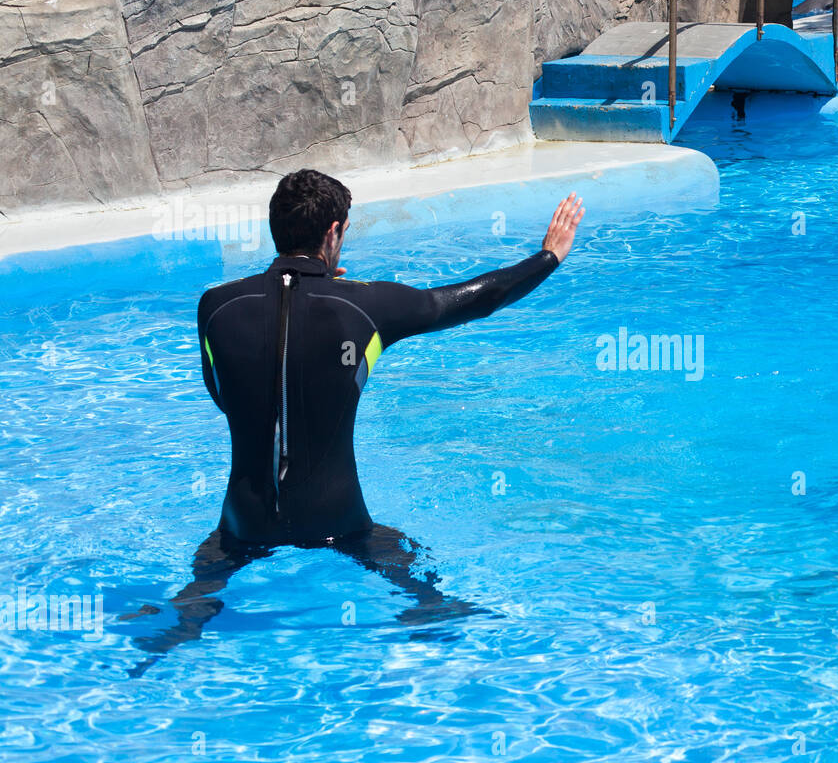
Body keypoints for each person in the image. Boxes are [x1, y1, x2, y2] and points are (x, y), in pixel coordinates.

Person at [124, 169, 583, 673]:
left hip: (244, 520)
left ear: (276, 229)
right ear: (334, 233)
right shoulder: (366, 306)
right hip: (337, 520)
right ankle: (429, 608)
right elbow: (476, 299)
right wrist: (549, 256)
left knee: (214, 563)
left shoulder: (216, 305)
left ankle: (185, 620)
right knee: (402, 562)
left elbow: (222, 396)